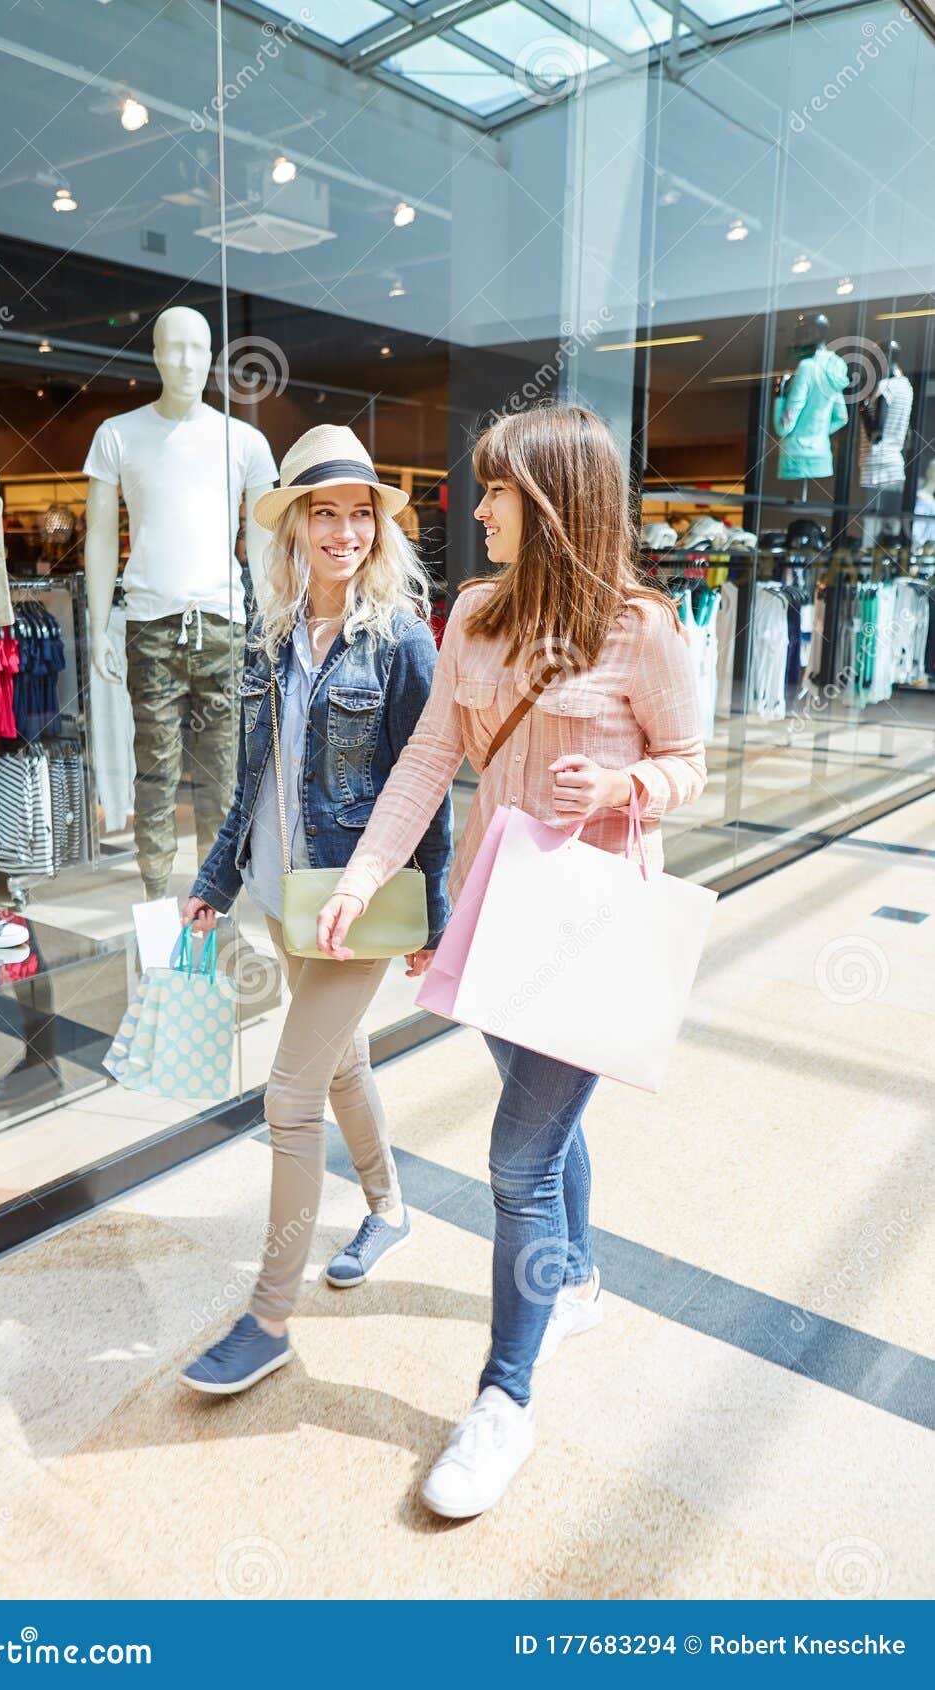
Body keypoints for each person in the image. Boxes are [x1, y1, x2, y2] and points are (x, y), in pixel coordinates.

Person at [317, 404, 706, 1517]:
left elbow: (687, 759)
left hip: (588, 924)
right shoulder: (475, 617)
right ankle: (575, 1276)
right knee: (547, 1127)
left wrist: (630, 786)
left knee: (515, 1161)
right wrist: (363, 878)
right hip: (498, 916)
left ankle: (503, 1400)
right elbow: (426, 759)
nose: (473, 507)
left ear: (547, 507)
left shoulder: (640, 630)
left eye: (493, 492)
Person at [178, 425, 452, 1395]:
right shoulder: (268, 637)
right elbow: (250, 783)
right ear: (293, 526)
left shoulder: (405, 639)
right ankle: (387, 1207)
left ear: (378, 529)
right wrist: (213, 882)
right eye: (323, 513)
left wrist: (434, 911)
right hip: (279, 898)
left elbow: (430, 782)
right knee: (340, 1063)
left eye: (358, 514)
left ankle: (268, 1316)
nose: (343, 531)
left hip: (352, 903)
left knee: (287, 1097)